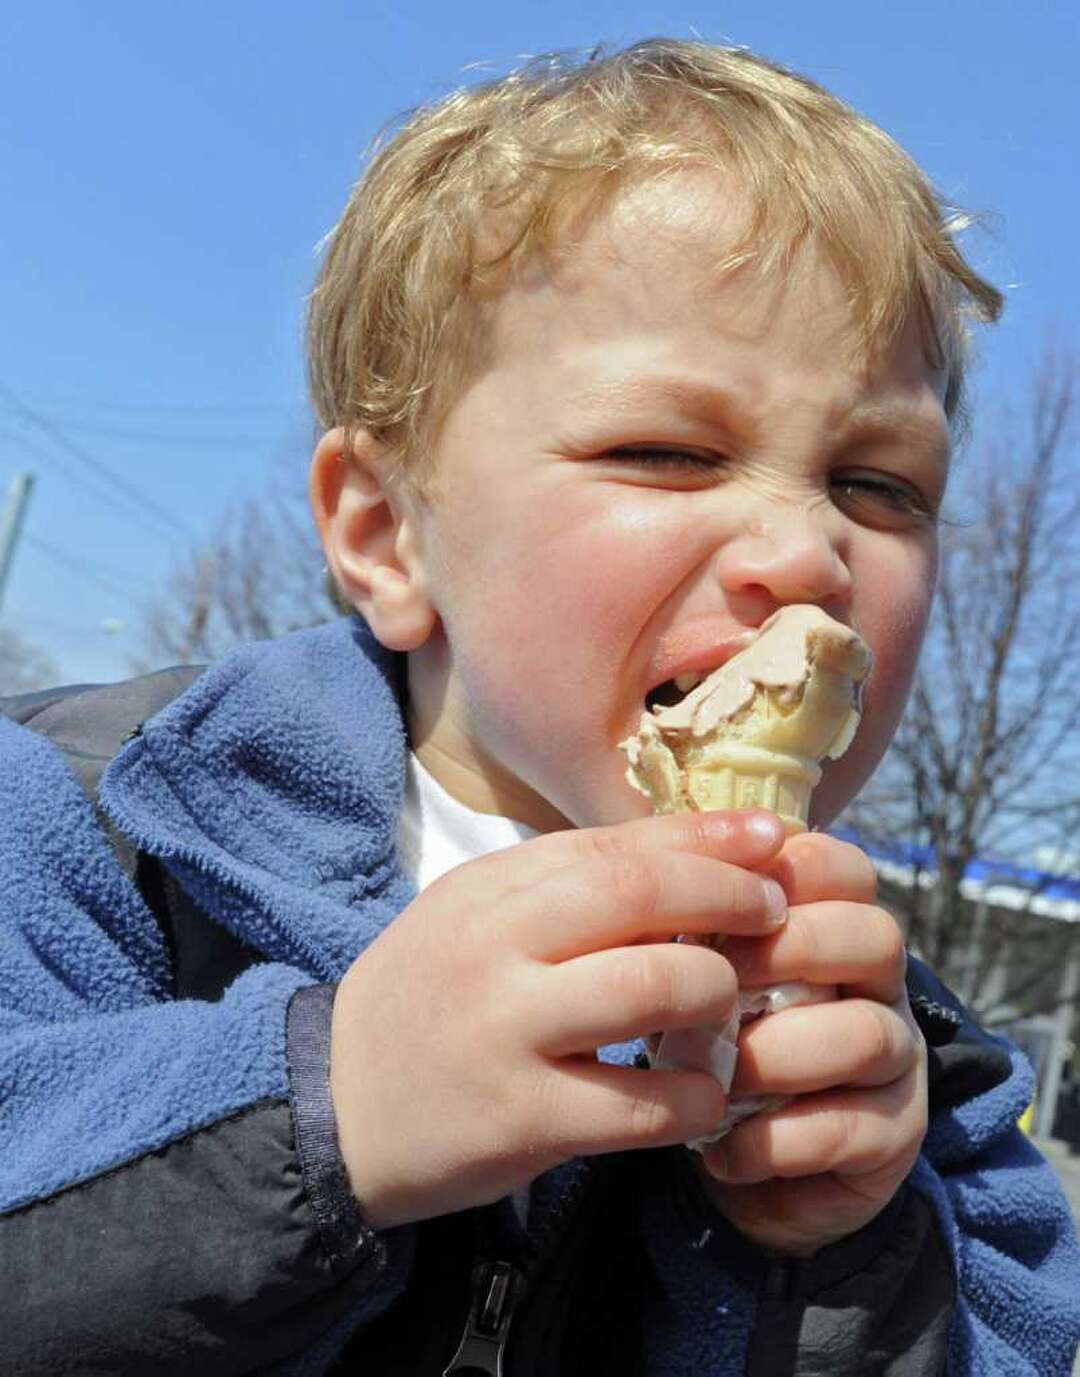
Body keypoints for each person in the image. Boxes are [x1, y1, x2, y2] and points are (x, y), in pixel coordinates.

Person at [2, 38, 1078, 1376]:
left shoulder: (926, 1083)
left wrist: (839, 1259)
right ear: (389, 533)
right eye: (667, 452)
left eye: (881, 486)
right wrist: (325, 1114)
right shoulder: (101, 829)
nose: (809, 555)